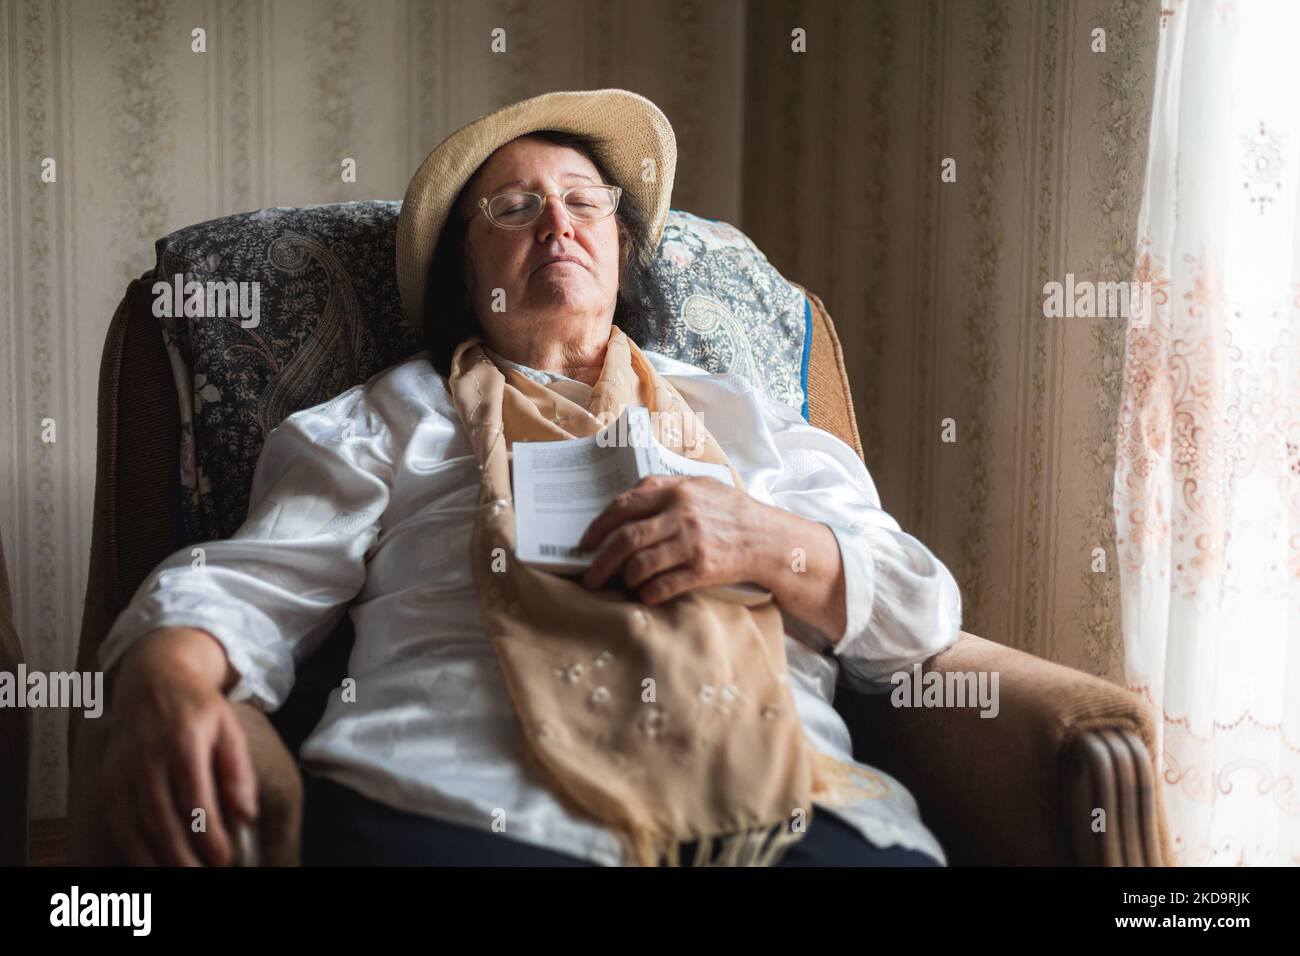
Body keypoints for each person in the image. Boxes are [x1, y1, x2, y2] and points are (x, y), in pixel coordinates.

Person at [96, 89, 962, 867]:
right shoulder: (383, 421)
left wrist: (772, 543)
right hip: (460, 800)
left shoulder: (747, 417)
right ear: (465, 277)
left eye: (585, 202)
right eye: (514, 208)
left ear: (620, 250)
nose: (558, 225)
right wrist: (168, 672)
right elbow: (249, 587)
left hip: (782, 805)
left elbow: (917, 615)